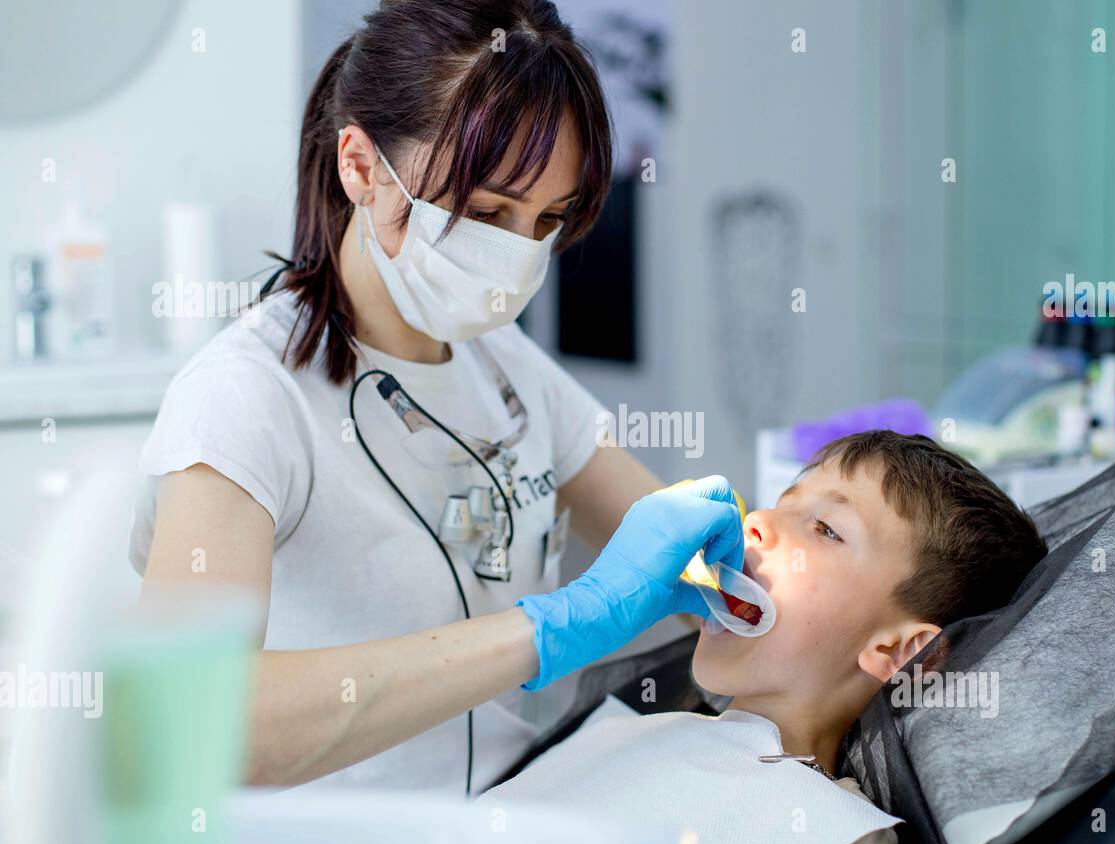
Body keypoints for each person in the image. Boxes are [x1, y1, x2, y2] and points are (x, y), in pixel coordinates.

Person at [129, 0, 741, 796]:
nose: (517, 256)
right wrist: (547, 630)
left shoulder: (506, 368)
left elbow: (688, 560)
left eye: (546, 219)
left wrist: (779, 565)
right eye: (486, 212)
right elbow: (189, 725)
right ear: (361, 167)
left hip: (500, 820)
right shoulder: (244, 398)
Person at [480, 431, 1048, 844]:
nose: (758, 522)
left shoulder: (835, 841)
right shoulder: (626, 730)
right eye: (782, 500)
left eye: (825, 528)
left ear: (900, 651)